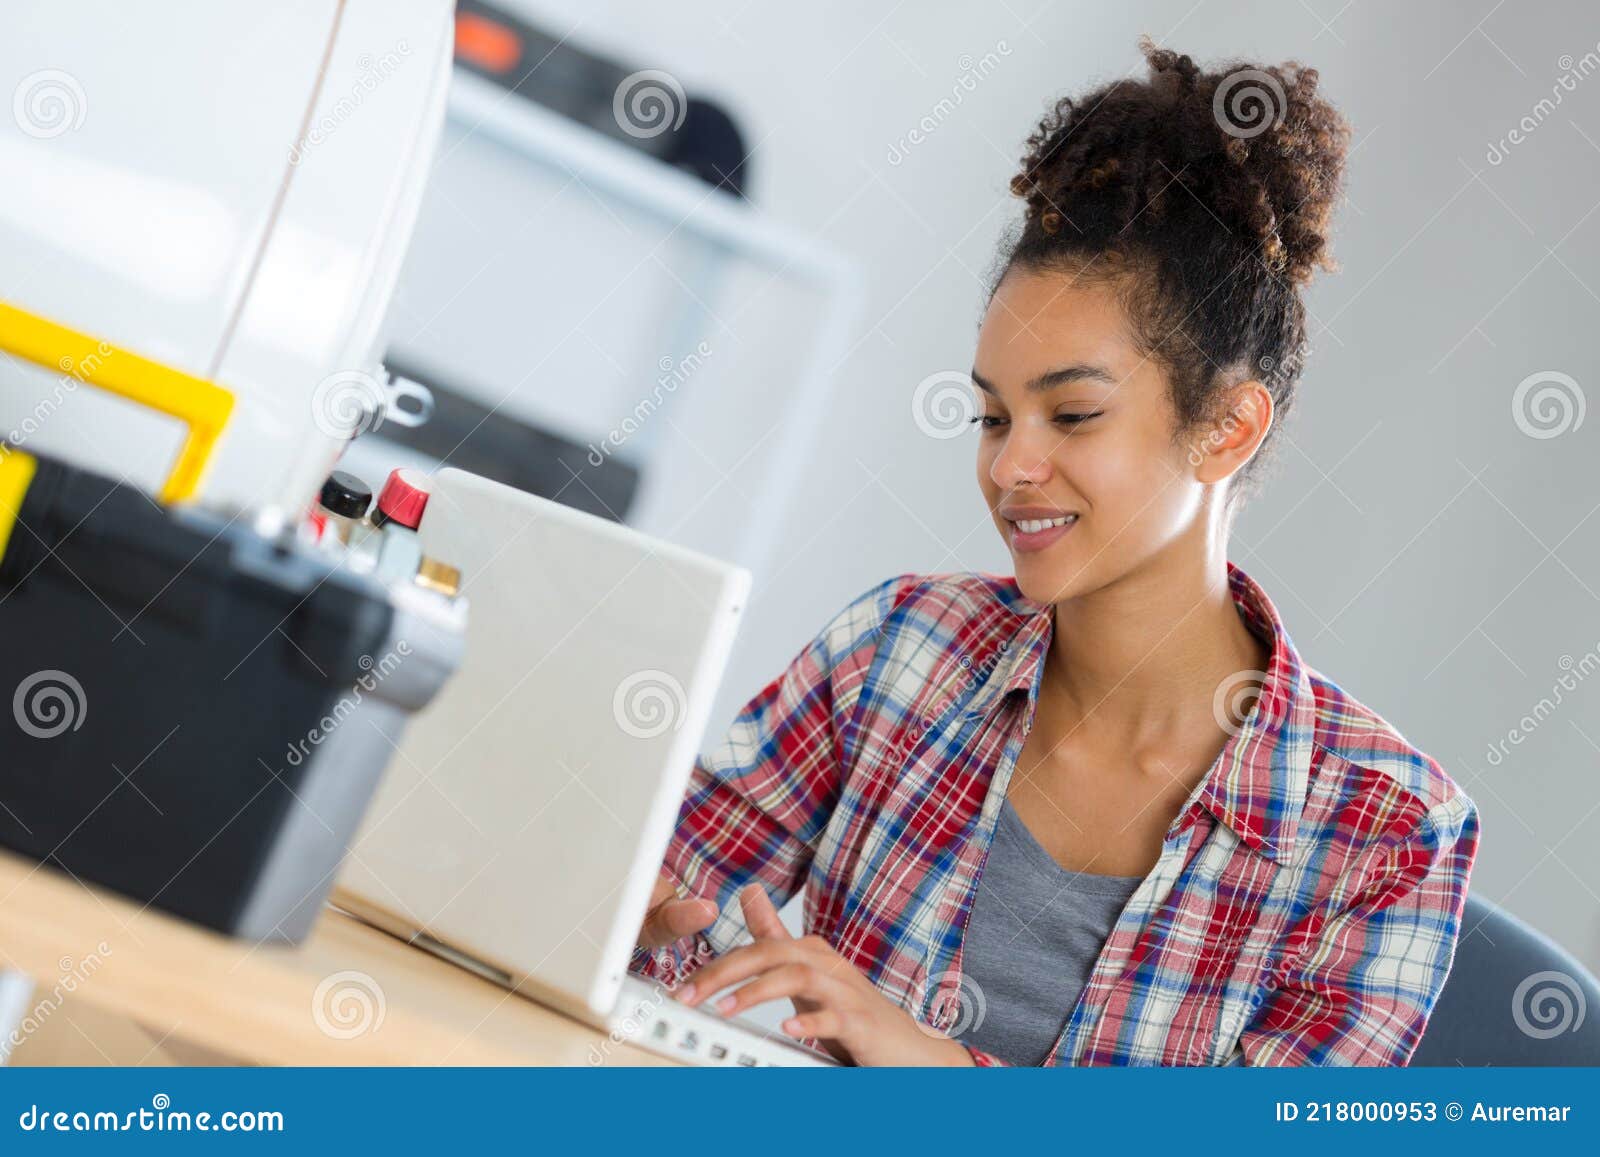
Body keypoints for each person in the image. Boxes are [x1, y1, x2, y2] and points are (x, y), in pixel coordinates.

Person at [630, 39, 1479, 1067]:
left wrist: (928, 1067)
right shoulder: (900, 648)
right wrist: (634, 915)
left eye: (1072, 414)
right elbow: (672, 914)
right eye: (993, 417)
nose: (1010, 466)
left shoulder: (1387, 826)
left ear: (1227, 428)